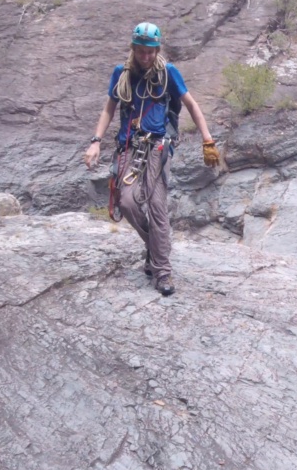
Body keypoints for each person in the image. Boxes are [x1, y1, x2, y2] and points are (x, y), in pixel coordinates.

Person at [83, 22, 220, 296]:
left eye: (150, 52)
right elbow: (109, 108)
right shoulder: (121, 74)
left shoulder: (168, 72)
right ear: (134, 49)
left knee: (157, 206)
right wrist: (96, 141)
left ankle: (162, 272)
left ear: (157, 50)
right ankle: (154, 248)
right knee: (127, 203)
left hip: (158, 145)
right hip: (130, 146)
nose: (146, 57)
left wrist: (207, 139)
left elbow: (192, 105)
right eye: (141, 51)